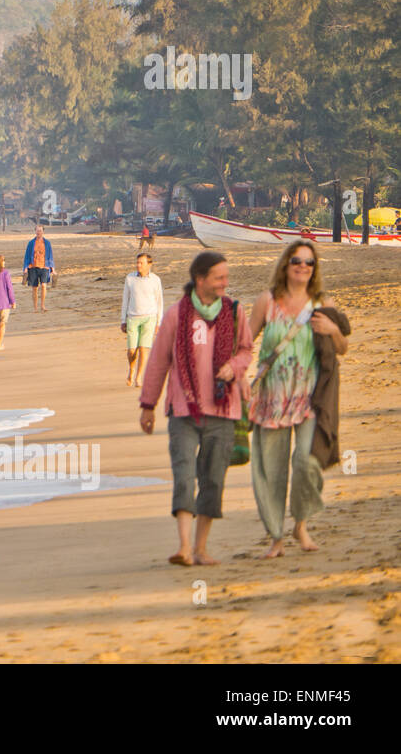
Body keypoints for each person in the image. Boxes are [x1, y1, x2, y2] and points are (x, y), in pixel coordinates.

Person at [138, 251, 254, 567]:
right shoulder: (177, 315)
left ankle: (201, 548)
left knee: (213, 479)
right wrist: (147, 405)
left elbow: (246, 349)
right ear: (200, 279)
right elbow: (159, 360)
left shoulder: (234, 311)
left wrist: (234, 366)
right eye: (219, 277)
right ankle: (184, 546)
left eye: (226, 277)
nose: (224, 283)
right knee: (184, 475)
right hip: (183, 410)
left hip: (223, 409)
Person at [247, 241, 349, 558]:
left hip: (310, 399)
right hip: (272, 399)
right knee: (271, 470)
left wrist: (332, 329)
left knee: (307, 461)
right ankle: (277, 536)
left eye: (309, 263)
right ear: (285, 265)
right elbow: (245, 342)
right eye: (296, 261)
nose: (303, 267)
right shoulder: (268, 301)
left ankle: (301, 523)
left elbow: (342, 347)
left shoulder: (321, 302)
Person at [121, 253, 164, 388]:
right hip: (133, 318)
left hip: (149, 318)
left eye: (141, 263)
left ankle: (139, 377)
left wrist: (159, 322)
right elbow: (125, 300)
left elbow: (159, 301)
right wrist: (123, 320)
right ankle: (131, 370)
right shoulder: (130, 278)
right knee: (132, 351)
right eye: (137, 262)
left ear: (149, 265)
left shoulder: (155, 280)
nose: (138, 265)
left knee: (144, 350)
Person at [23, 226, 55, 311]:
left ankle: (42, 305)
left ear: (43, 232)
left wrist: (53, 268)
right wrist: (25, 268)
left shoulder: (47, 243)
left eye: (40, 231)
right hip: (33, 267)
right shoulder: (31, 243)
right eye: (37, 231)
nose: (38, 232)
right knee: (34, 288)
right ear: (35, 232)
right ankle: (35, 307)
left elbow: (50, 256)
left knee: (44, 285)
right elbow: (26, 256)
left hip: (44, 266)